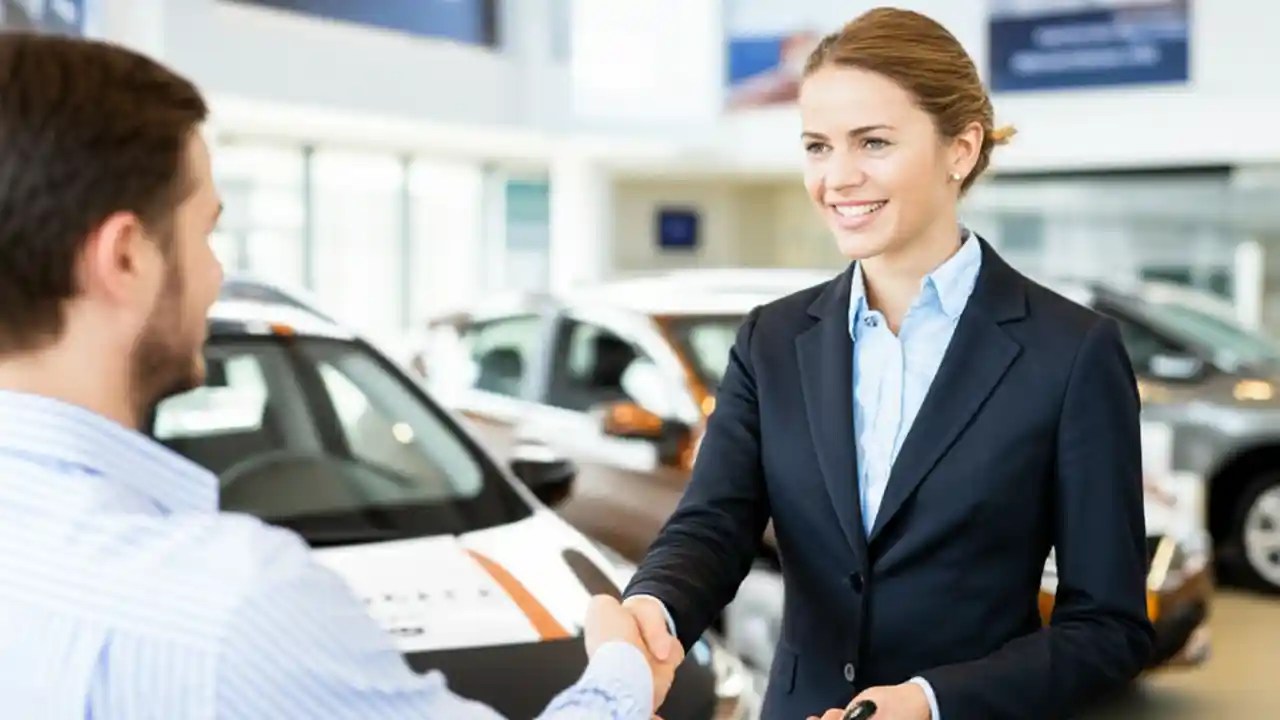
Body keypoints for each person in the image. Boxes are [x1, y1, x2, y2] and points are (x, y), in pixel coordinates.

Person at [0, 32, 683, 718]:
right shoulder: (229, 611)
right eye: (204, 233)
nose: (215, 273)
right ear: (125, 259)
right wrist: (621, 673)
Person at [614, 8, 1154, 720]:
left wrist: (930, 702)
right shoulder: (772, 340)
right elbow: (713, 525)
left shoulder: (1071, 352)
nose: (838, 177)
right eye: (817, 146)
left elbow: (1108, 627)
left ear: (961, 149)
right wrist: (653, 613)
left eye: (873, 142)